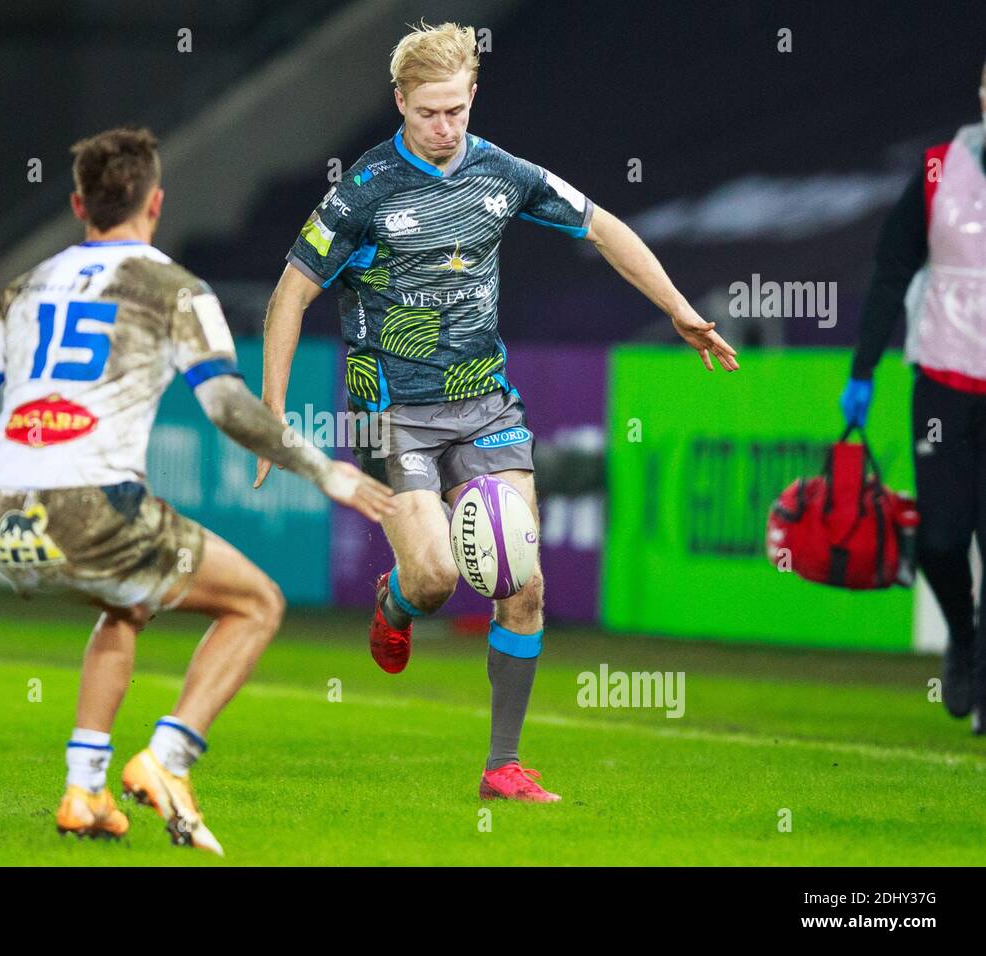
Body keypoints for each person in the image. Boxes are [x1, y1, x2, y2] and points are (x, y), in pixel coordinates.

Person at [254, 22, 737, 802]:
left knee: (524, 583)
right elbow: (291, 294)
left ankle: (502, 765)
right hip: (396, 412)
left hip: (486, 406)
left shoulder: (501, 174)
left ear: (472, 96)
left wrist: (679, 308)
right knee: (440, 578)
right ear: (400, 102)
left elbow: (604, 226)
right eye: (428, 113)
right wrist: (272, 410)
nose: (444, 128)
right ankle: (397, 599)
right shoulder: (364, 190)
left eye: (457, 110)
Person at [0, 126, 396, 854]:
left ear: (80, 203)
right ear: (157, 203)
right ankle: (167, 761)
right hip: (90, 508)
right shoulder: (174, 289)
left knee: (127, 606)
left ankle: (85, 790)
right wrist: (326, 469)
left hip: (5, 520)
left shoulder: (21, 289)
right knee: (257, 603)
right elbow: (228, 409)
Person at [841, 61, 986, 735]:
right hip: (944, 385)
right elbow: (893, 266)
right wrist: (863, 368)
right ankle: (964, 633)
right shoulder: (936, 171)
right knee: (941, 542)